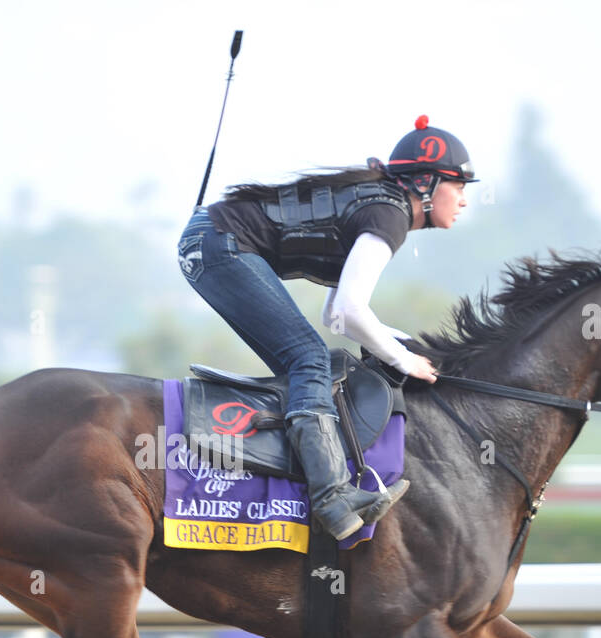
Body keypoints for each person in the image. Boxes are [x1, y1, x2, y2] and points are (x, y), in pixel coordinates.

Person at [177, 115, 476, 540]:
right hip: (221, 243)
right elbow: (352, 313)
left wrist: (400, 344)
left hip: (210, 240)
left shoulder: (380, 202)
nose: (463, 200)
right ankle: (331, 496)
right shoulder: (388, 213)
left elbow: (336, 314)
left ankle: (294, 486)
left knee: (306, 367)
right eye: (459, 187)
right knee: (310, 360)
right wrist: (403, 359)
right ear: (426, 184)